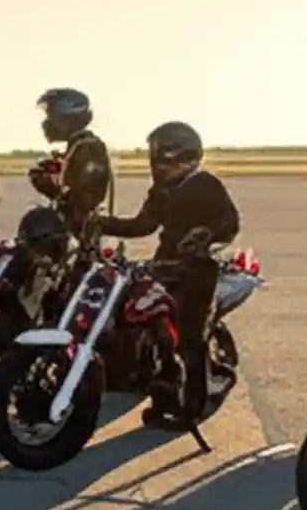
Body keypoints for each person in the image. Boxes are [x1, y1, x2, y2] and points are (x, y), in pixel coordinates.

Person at [99, 121, 241, 425]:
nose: (156, 164)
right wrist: (101, 224)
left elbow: (230, 223)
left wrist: (206, 235)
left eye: (161, 157)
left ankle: (192, 409)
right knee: (151, 331)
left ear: (183, 157)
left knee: (190, 342)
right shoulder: (162, 191)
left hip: (198, 272)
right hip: (165, 267)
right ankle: (163, 396)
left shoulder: (205, 184)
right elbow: (143, 225)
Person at [28, 88, 113, 234]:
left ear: (67, 119)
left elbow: (84, 200)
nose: (47, 123)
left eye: (51, 116)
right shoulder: (77, 146)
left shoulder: (88, 147)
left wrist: (49, 185)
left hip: (79, 237)